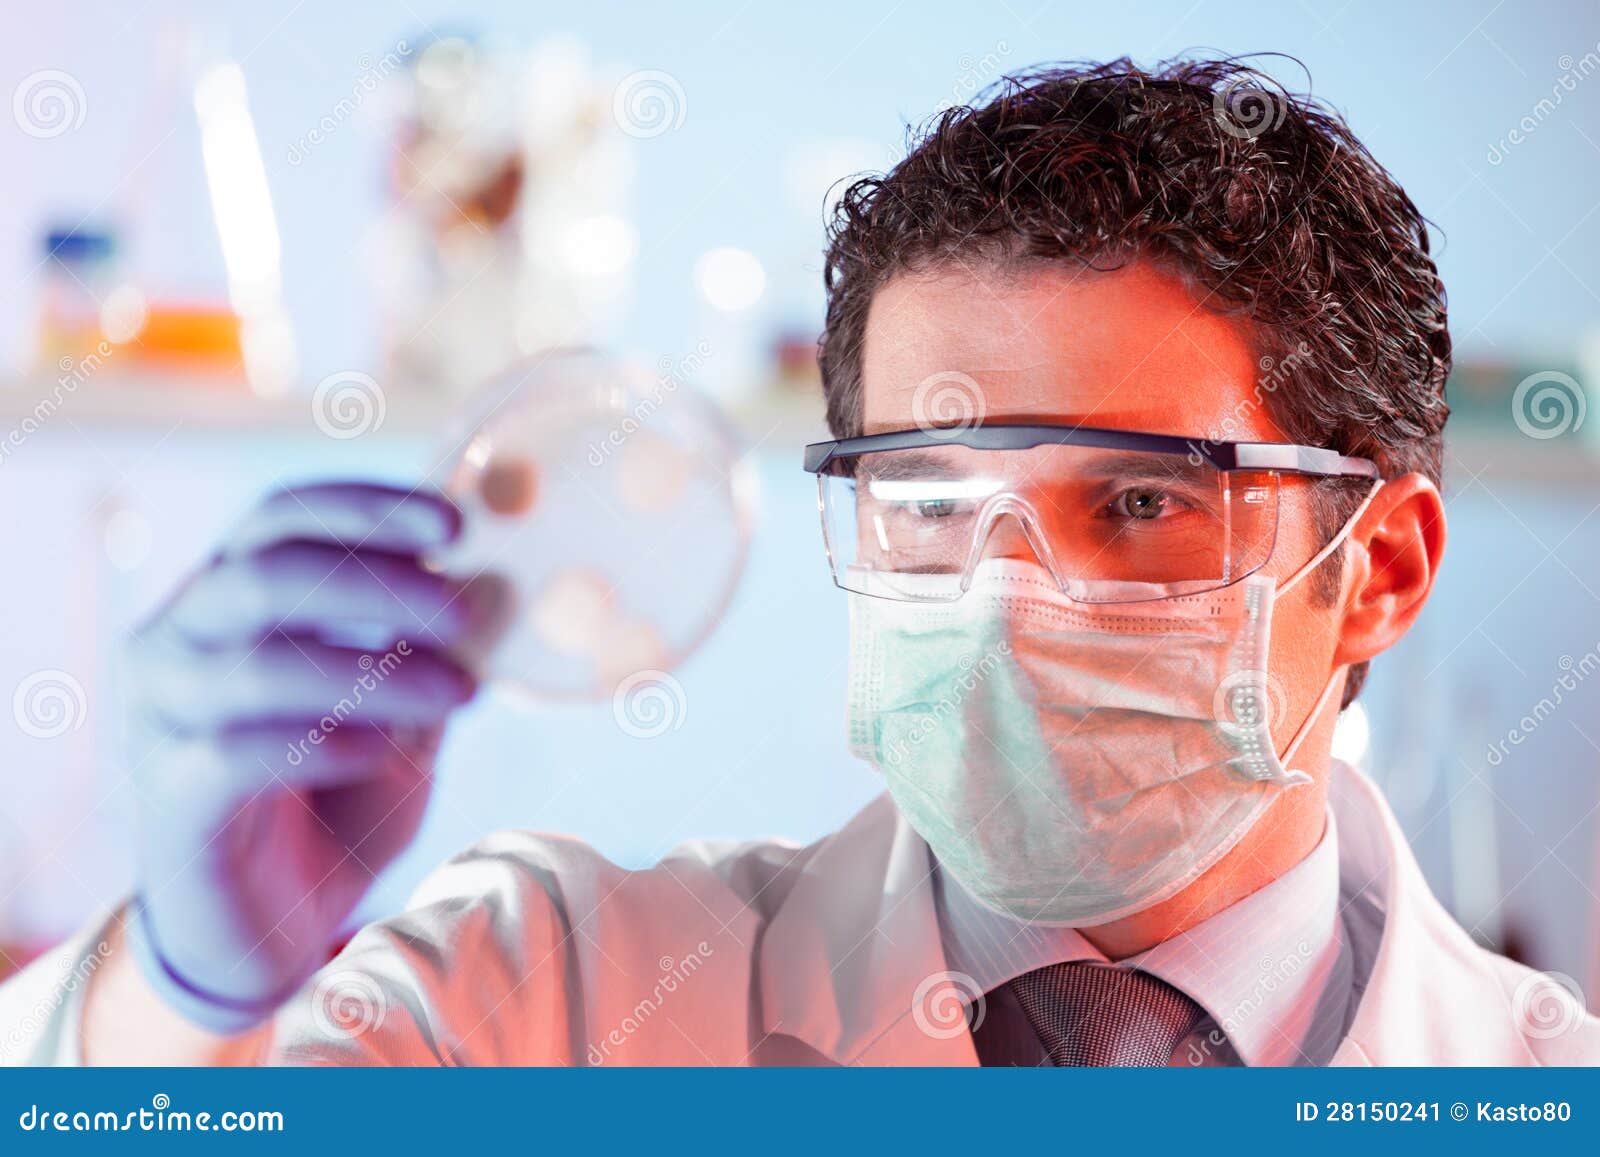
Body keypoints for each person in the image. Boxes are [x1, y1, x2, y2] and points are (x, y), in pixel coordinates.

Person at [4, 56, 1597, 1067]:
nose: (998, 598)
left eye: (1135, 502)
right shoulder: (553, 994)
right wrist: (188, 990)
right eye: (925, 493)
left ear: (1377, 566)